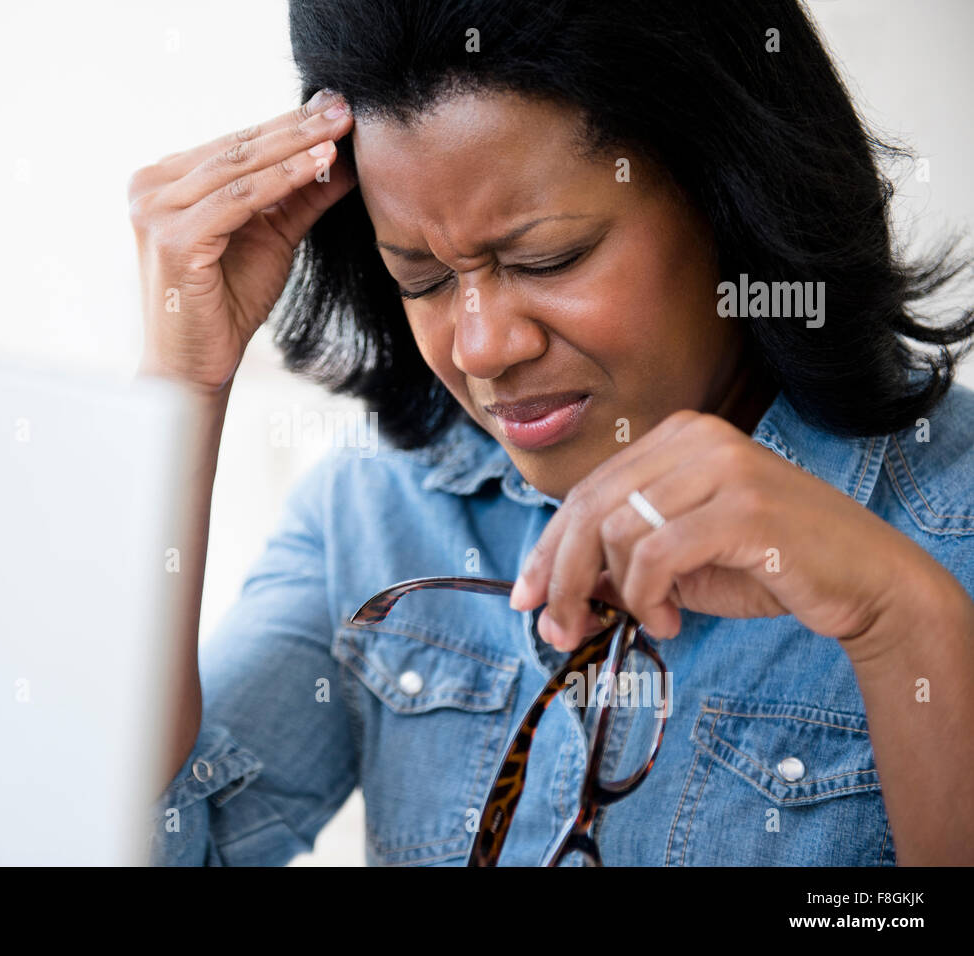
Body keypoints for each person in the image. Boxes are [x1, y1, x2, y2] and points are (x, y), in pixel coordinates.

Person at [127, 0, 974, 866]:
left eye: (547, 260)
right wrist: (182, 393)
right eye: (419, 280)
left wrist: (905, 622)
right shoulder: (378, 512)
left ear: (733, 202)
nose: (482, 348)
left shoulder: (955, 519)